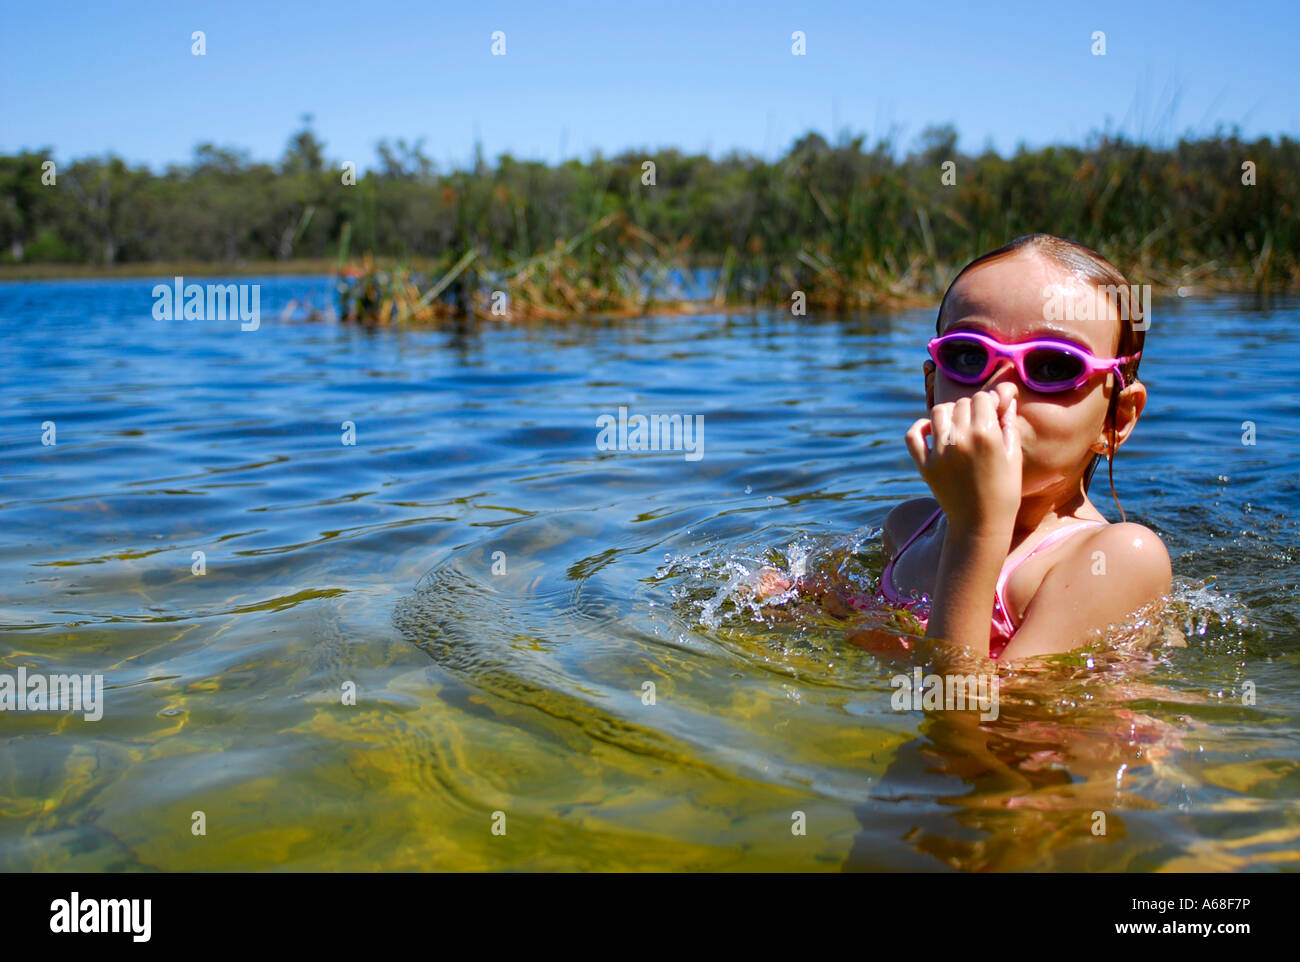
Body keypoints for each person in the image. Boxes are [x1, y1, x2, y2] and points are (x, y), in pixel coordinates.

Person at [758, 234, 1171, 660]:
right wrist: (823, 609)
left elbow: (966, 721)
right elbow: (898, 650)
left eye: (1053, 365)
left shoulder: (1117, 559)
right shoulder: (908, 527)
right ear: (932, 390)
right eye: (969, 357)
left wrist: (977, 531)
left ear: (1115, 420)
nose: (998, 393)